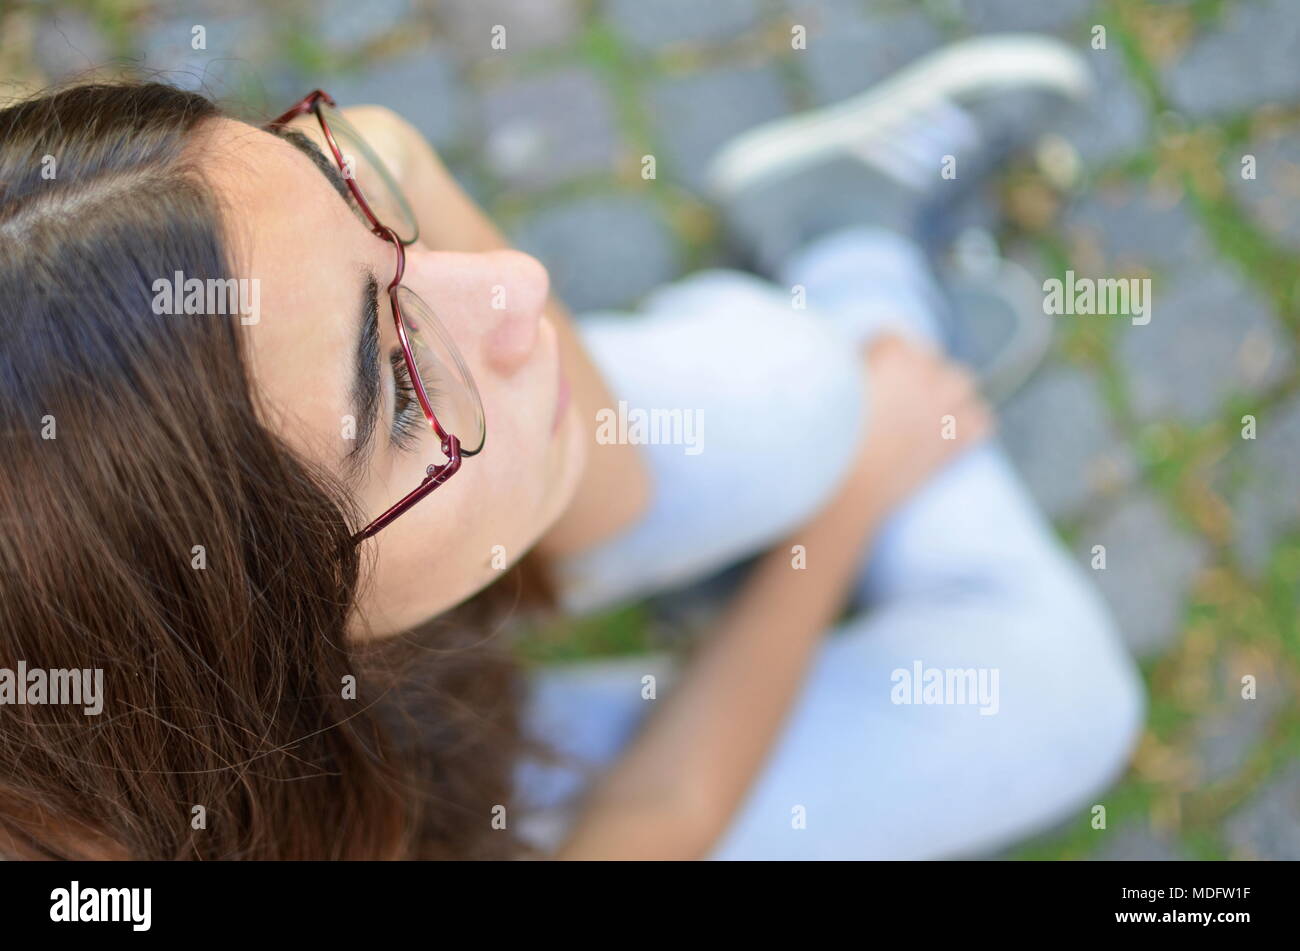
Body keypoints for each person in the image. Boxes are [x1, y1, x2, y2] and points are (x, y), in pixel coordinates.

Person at [0, 36, 1142, 861]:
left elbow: (614, 488)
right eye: (397, 387)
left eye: (355, 207)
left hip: (383, 713)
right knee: (1057, 698)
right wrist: (843, 517)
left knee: (801, 397)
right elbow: (649, 825)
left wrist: (381, 162)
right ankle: (858, 272)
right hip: (461, 810)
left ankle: (842, 255)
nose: (517, 283)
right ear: (240, 628)